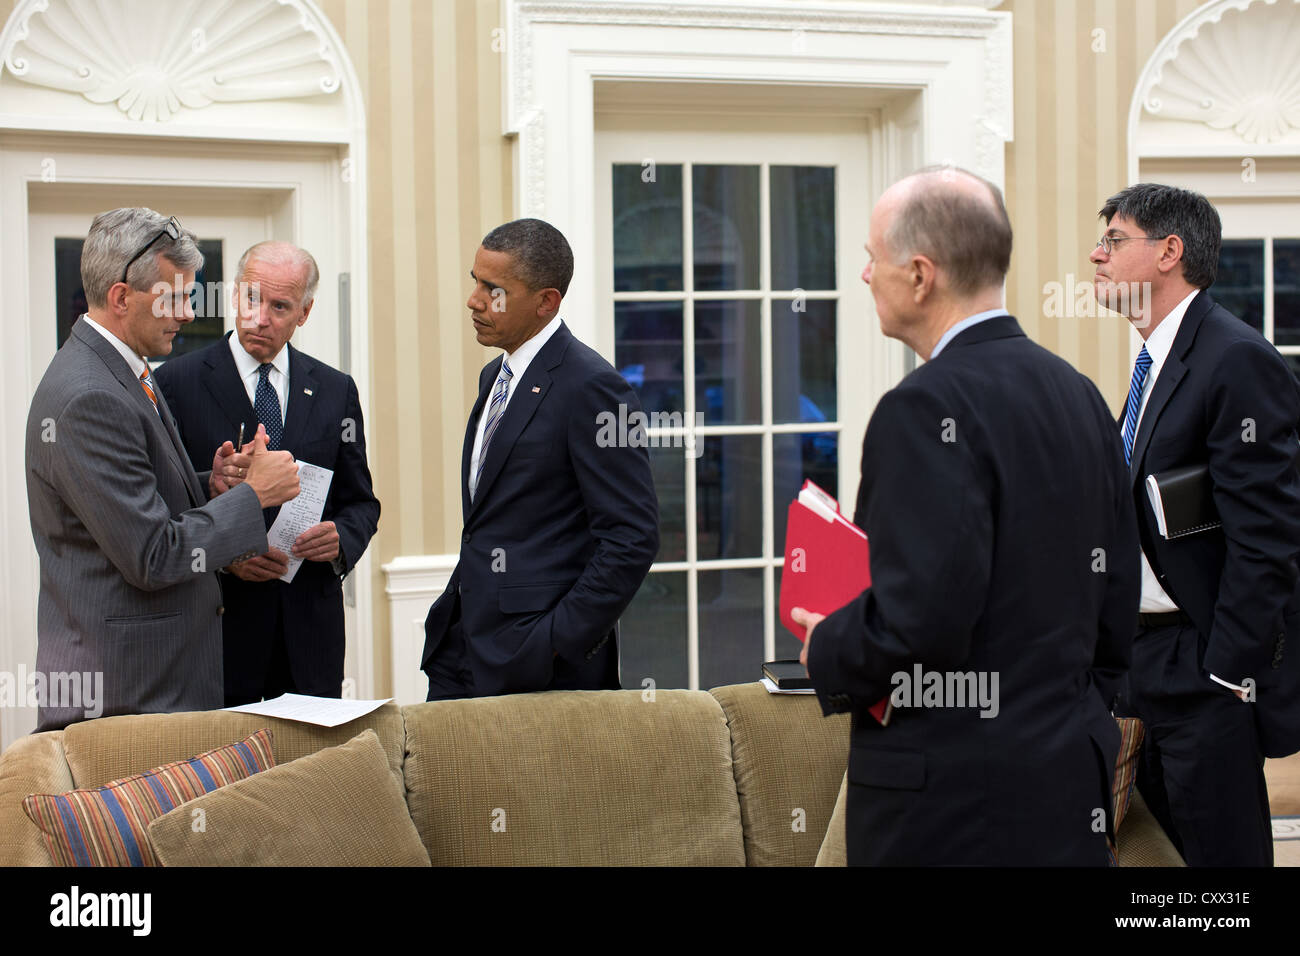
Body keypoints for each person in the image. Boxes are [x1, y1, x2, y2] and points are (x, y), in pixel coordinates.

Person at [793, 167, 1139, 865]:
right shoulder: (1079, 395)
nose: (864, 277)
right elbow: (1117, 602)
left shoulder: (923, 408)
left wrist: (823, 649)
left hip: (951, 808)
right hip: (1067, 785)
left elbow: (922, 619)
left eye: (871, 259)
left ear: (920, 276)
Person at [25, 208, 301, 732]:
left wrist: (211, 486)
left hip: (153, 688)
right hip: (128, 697)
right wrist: (254, 496)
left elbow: (134, 498)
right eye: (173, 298)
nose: (188, 314)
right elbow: (152, 555)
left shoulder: (122, 370)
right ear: (122, 297)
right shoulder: (88, 395)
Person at [1091, 183, 1300, 866]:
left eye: (1114, 240)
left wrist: (1227, 671)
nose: (1096, 255)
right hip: (1141, 665)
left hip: (1201, 671)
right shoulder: (1153, 359)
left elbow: (1268, 537)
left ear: (1169, 252)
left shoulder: (1234, 357)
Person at [420, 218, 659, 699]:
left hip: (538, 665)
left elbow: (632, 537)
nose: (474, 300)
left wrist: (553, 643)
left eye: (494, 289)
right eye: (475, 283)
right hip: (462, 645)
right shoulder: (494, 376)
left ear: (546, 301)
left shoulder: (595, 387)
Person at [155, 241, 380, 705]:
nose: (261, 318)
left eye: (280, 306)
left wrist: (342, 538)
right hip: (217, 630)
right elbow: (161, 508)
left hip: (309, 637)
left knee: (307, 776)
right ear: (236, 295)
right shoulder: (174, 383)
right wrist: (224, 557)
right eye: (253, 299)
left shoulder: (336, 390)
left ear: (305, 311)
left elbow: (361, 501)